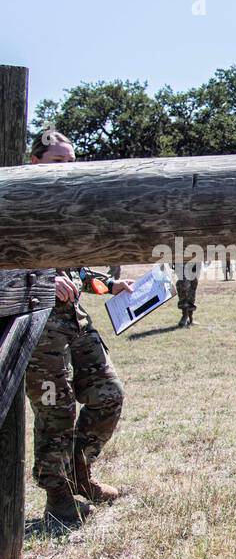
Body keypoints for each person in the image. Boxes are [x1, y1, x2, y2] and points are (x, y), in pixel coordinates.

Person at [24, 131, 134, 525]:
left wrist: (109, 283)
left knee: (109, 395)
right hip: (37, 329)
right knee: (56, 409)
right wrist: (41, 281)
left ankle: (80, 474)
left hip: (75, 323)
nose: (66, 171)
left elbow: (75, 270)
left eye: (71, 164)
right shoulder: (14, 202)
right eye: (57, 163)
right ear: (34, 162)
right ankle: (57, 496)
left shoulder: (64, 206)